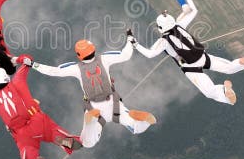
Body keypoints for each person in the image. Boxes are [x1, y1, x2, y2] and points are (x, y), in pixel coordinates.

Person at [130, 0, 244, 104]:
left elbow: (150, 54)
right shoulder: (179, 25)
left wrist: (134, 43)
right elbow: (194, 11)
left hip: (190, 67)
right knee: (229, 68)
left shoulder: (163, 41)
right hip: (203, 56)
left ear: (160, 28)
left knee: (210, 92)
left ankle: (224, 92)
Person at [23, 38, 156, 148]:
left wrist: (33, 64)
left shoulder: (76, 68)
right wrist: (129, 40)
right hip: (113, 104)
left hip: (94, 106)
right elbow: (125, 55)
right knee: (135, 127)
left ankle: (90, 120)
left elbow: (54, 71)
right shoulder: (104, 59)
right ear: (93, 50)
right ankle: (146, 120)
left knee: (87, 142)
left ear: (79, 55)